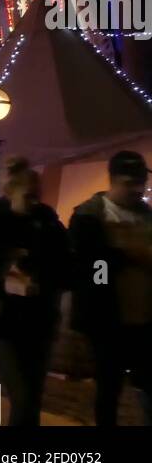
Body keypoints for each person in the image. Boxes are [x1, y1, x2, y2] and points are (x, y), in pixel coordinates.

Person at [0, 157, 70, 426]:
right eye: (28, 196)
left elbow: (68, 265)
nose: (34, 202)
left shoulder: (49, 224)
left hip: (40, 321)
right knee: (22, 397)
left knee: (32, 399)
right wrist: (4, 281)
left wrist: (47, 277)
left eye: (37, 196)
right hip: (1, 322)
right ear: (11, 192)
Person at [69, 150, 152, 425]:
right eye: (130, 183)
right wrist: (126, 256)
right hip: (109, 322)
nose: (137, 190)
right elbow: (93, 271)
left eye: (140, 183)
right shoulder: (90, 216)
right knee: (109, 388)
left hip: (144, 318)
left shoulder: (146, 216)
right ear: (114, 180)